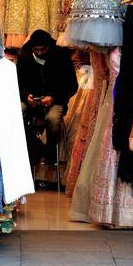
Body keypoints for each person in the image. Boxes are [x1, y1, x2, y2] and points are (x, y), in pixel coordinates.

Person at [16, 29, 80, 172]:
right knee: (16, 114)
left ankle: (49, 151)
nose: (39, 53)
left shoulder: (61, 55)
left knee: (53, 119)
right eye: (36, 50)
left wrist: (54, 97)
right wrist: (26, 96)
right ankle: (36, 148)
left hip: (55, 100)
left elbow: (71, 85)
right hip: (30, 100)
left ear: (49, 46)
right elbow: (17, 83)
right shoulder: (24, 55)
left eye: (42, 49)